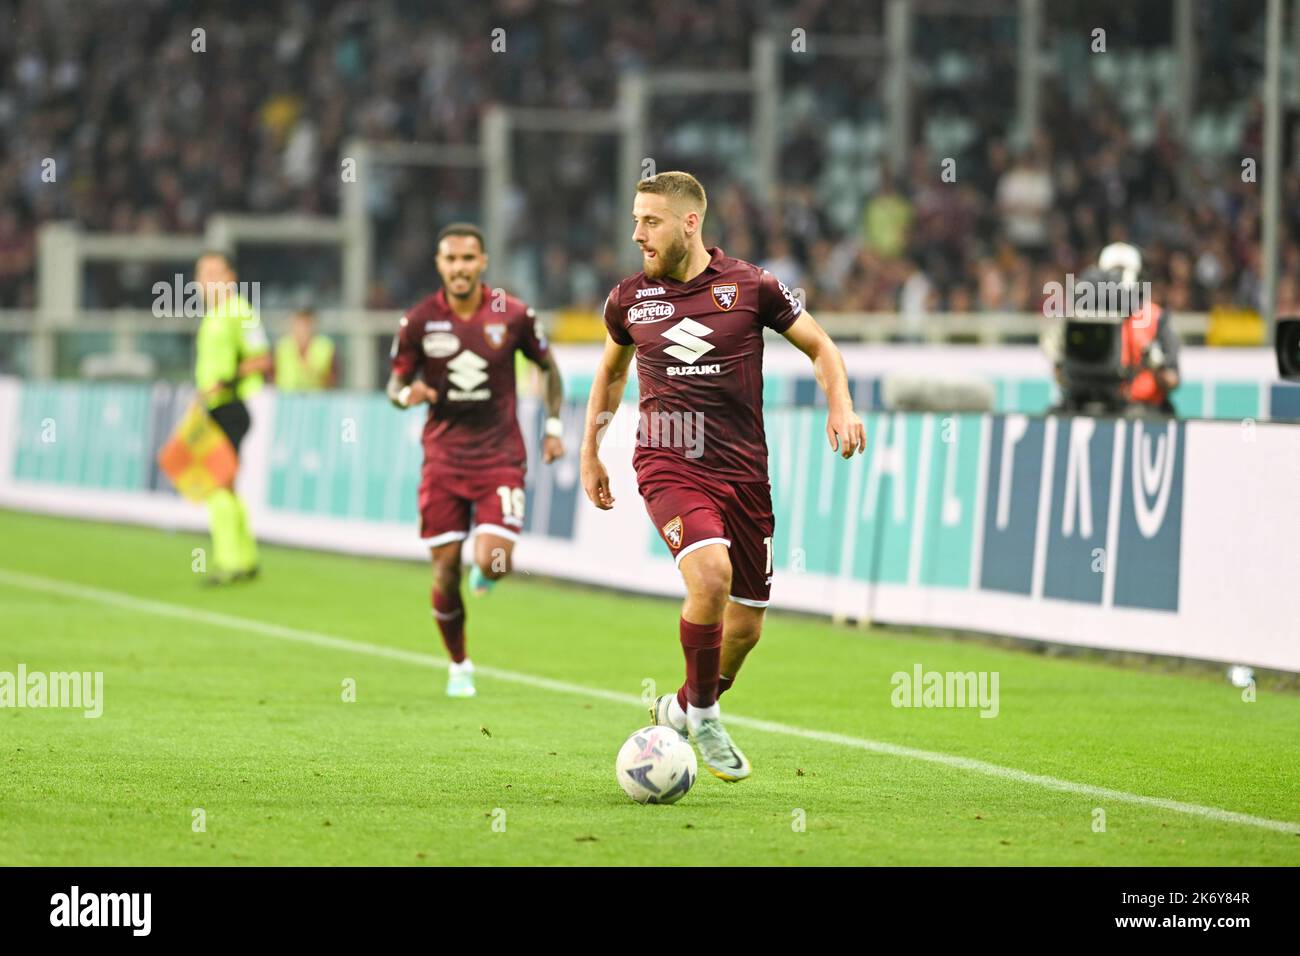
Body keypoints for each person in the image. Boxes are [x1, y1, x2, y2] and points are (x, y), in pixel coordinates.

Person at [580, 172, 865, 782]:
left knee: (747, 625)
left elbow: (822, 349)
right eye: (634, 220)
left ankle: (680, 705)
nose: (637, 235)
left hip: (744, 474)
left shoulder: (751, 286)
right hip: (667, 461)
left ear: (690, 222)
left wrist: (840, 403)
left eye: (650, 221)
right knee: (709, 577)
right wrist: (590, 450)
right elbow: (609, 375)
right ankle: (705, 714)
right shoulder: (628, 299)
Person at [387, 223, 565, 698]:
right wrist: (409, 394)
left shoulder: (512, 313)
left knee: (498, 560)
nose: (460, 267)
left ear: (483, 262)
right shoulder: (419, 320)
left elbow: (549, 368)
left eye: (469, 259)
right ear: (439, 265)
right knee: (444, 570)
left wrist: (552, 427)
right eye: (451, 259)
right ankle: (459, 663)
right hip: (443, 460)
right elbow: (395, 384)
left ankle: (486, 573)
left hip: (500, 457)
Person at [193, 251, 272, 584]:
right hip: (214, 407)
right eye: (202, 274)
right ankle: (246, 557)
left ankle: (229, 562)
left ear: (231, 278)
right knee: (225, 484)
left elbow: (263, 359)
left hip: (231, 406)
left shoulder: (241, 311)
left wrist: (224, 381)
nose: (206, 280)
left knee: (216, 484)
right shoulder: (214, 315)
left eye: (214, 272)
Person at [273, 307, 336, 391]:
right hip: (286, 398)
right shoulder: (283, 345)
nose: (302, 329)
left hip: (316, 398)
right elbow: (273, 373)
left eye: (306, 325)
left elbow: (331, 376)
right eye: (299, 324)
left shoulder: (324, 345)